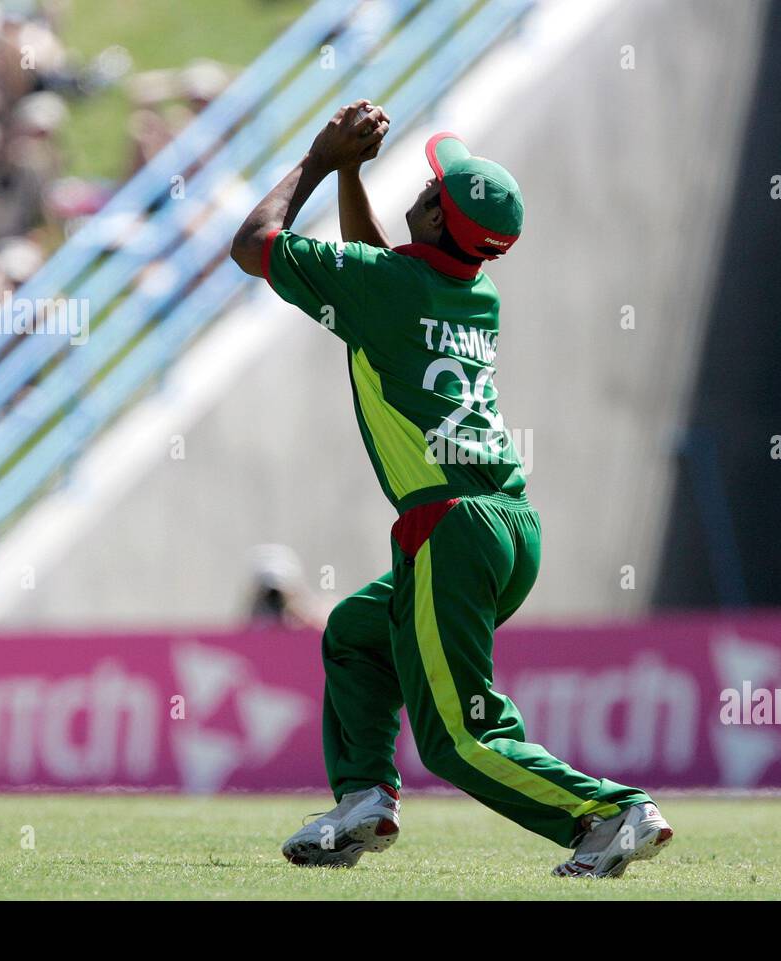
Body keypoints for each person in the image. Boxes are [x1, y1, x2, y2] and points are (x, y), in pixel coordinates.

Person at [231, 101, 673, 878]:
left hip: (452, 525)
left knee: (458, 736)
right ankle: (364, 798)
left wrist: (316, 156)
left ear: (436, 215)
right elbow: (376, 273)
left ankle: (608, 812)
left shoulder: (393, 289)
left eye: (434, 184)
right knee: (358, 636)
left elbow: (252, 245)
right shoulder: (474, 293)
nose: (427, 182)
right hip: (507, 526)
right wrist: (350, 173)